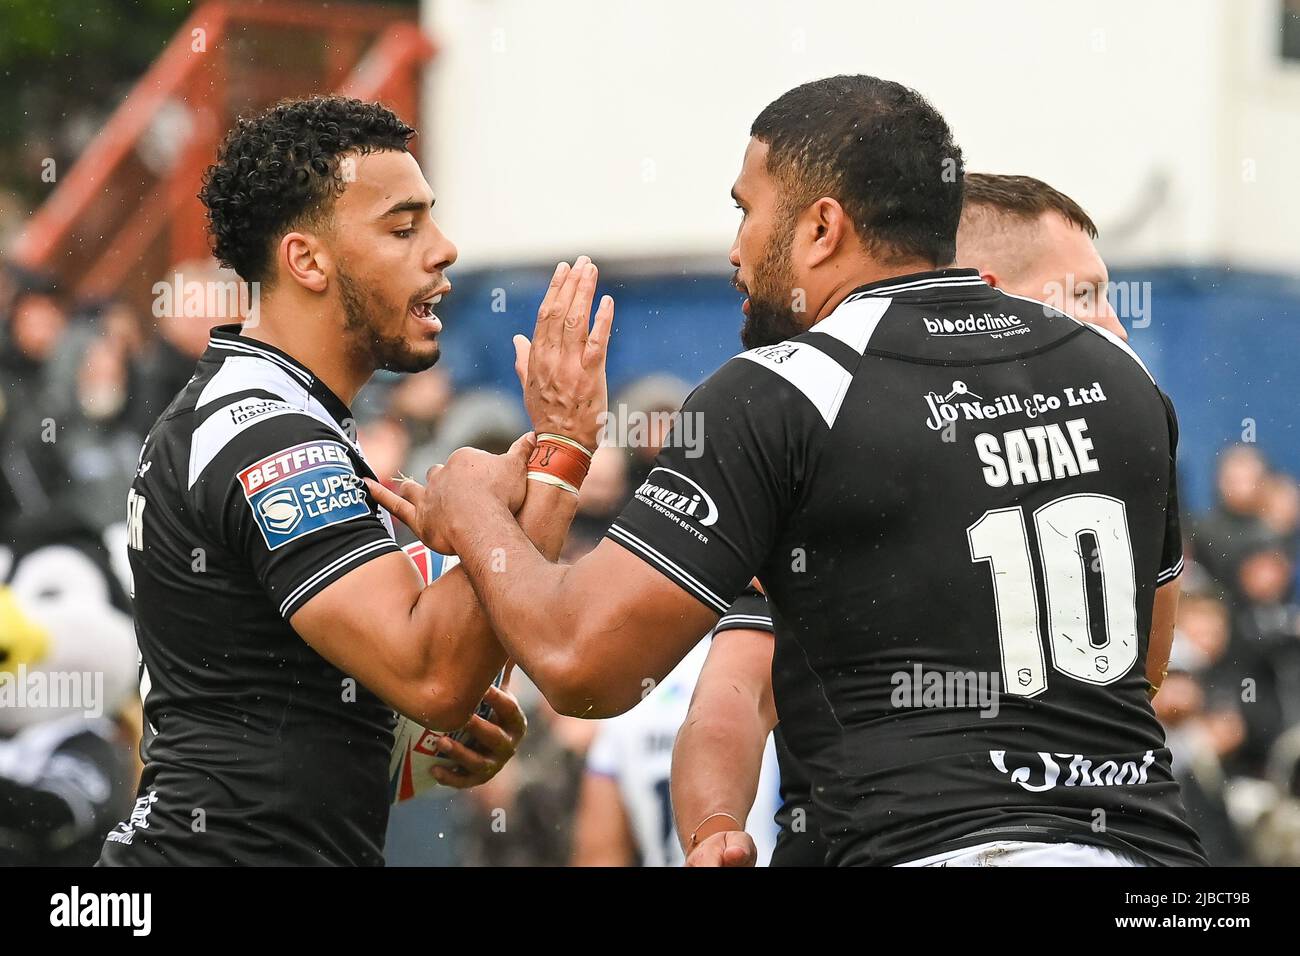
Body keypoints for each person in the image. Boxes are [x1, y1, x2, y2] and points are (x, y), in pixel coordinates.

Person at [374, 75, 1207, 867]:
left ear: (821, 228)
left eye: (746, 211)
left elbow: (584, 664)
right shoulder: (1126, 385)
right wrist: (713, 821)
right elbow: (1146, 661)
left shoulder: (786, 391)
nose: (736, 248)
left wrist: (473, 507)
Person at [98, 96, 608, 865]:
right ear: (308, 261)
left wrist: (420, 747)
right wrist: (556, 457)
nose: (445, 249)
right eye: (404, 228)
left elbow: (264, 709)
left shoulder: (274, 410)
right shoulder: (267, 433)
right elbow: (432, 672)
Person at [670, 172, 1155, 866]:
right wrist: (715, 826)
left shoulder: (1121, 424)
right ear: (988, 292)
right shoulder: (844, 436)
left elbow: (1142, 674)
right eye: (1084, 295)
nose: (1112, 323)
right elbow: (738, 690)